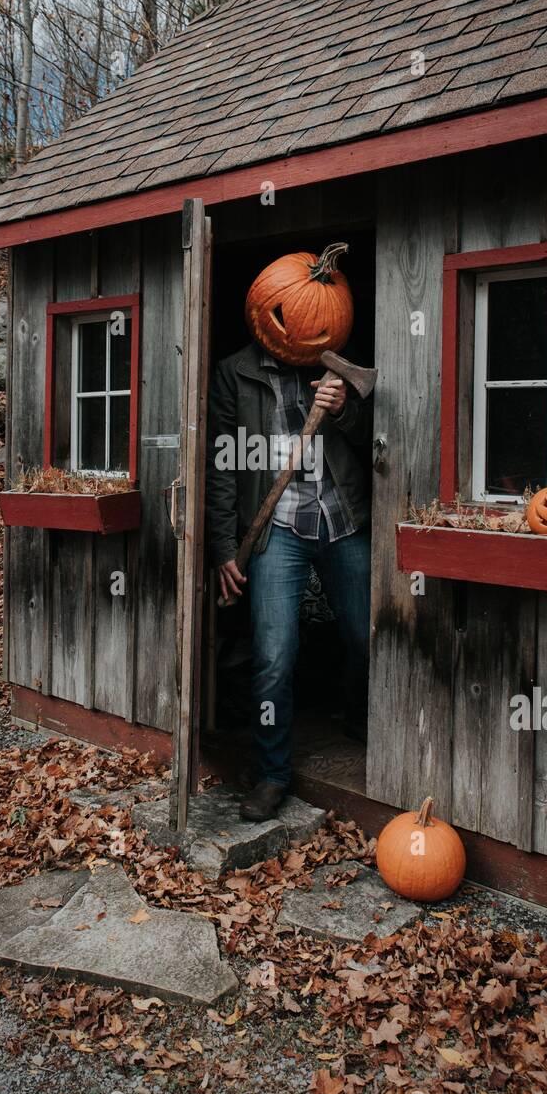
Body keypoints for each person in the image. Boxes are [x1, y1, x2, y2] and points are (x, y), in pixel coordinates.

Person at [206, 337, 372, 822]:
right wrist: (222, 546)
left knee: (365, 638)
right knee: (274, 656)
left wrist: (344, 411)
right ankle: (272, 772)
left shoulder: (332, 363)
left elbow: (374, 438)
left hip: (342, 517)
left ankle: (359, 720)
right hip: (277, 524)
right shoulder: (235, 371)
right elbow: (222, 462)